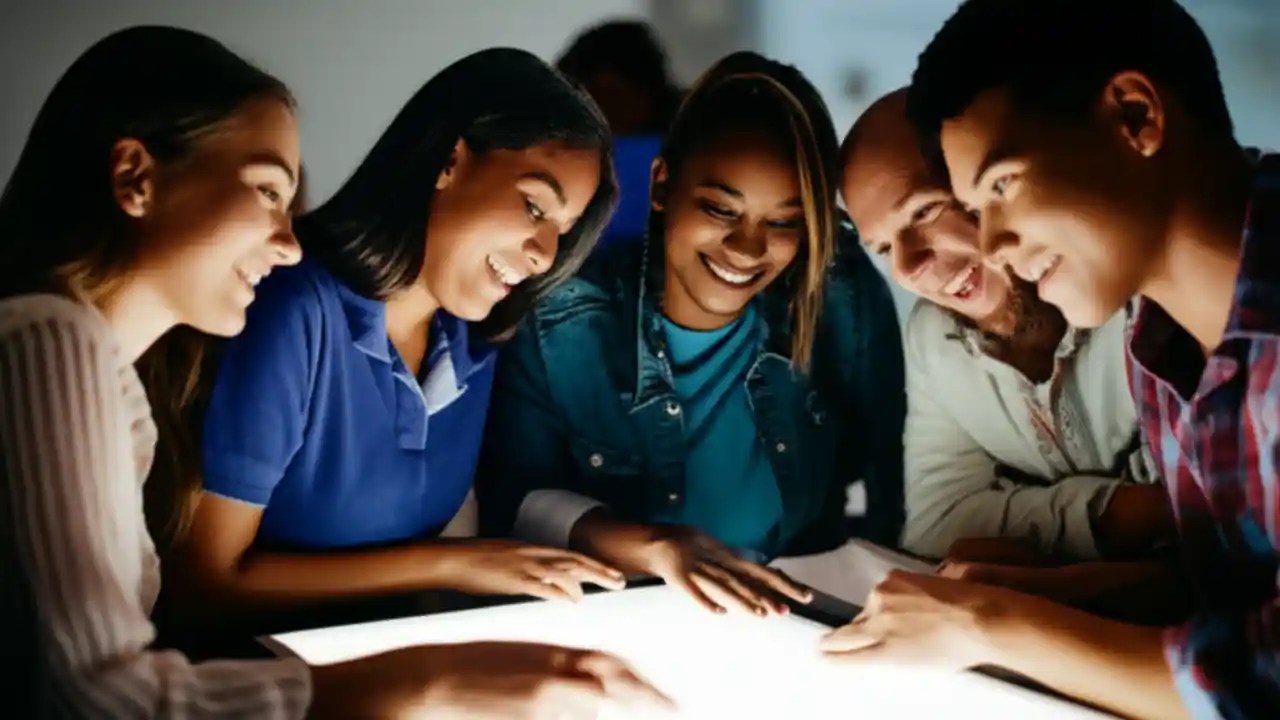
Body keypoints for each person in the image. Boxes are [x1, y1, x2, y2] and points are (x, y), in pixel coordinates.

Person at [0, 26, 670, 719]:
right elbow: (101, 689)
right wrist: (427, 675)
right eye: (267, 190)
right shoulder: (56, 337)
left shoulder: (117, 383)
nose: (291, 244)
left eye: (561, 231)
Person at [824, 2, 1277, 719]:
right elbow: (1219, 593)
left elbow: (1261, 680)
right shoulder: (1162, 343)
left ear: (1135, 117)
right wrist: (1031, 593)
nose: (995, 244)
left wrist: (989, 626)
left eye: (1000, 187)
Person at [145, 48, 632, 632]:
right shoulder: (296, 310)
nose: (544, 255)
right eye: (533, 206)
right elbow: (203, 584)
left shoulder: (475, 345)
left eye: (563, 233)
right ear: (450, 160)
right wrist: (449, 565)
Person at [477, 51, 905, 617]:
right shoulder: (565, 317)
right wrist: (655, 549)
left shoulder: (839, 300)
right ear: (661, 185)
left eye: (783, 222)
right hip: (616, 620)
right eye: (720, 209)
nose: (748, 248)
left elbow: (888, 486)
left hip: (796, 622)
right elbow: (512, 500)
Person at [840, 89, 1182, 620]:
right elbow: (938, 524)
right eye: (884, 249)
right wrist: (1108, 515)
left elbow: (1212, 550)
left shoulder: (1137, 292)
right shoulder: (935, 340)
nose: (909, 268)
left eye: (925, 211)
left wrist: (1033, 565)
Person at [557, 21, 682, 245]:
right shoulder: (564, 151)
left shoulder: (684, 149)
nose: (604, 110)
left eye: (615, 95)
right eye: (591, 98)